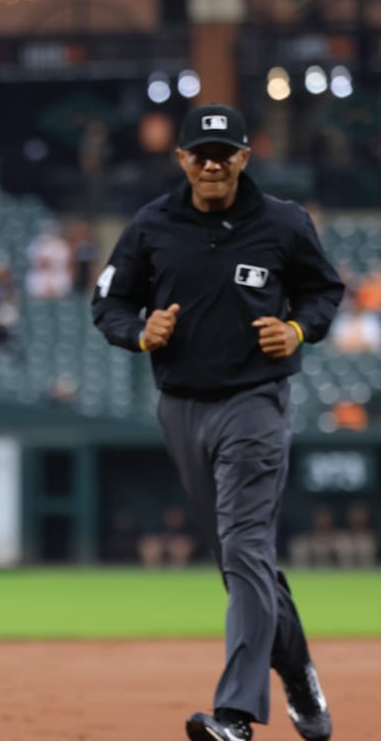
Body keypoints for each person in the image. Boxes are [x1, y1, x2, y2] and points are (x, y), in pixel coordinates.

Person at [92, 103, 344, 741]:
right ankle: (301, 675)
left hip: (254, 402)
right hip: (180, 406)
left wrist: (296, 329)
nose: (211, 165)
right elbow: (108, 300)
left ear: (243, 158)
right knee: (239, 559)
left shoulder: (283, 223)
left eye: (222, 154)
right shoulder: (151, 226)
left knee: (245, 549)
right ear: (181, 160)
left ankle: (234, 715)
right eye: (199, 154)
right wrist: (137, 331)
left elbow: (324, 292)